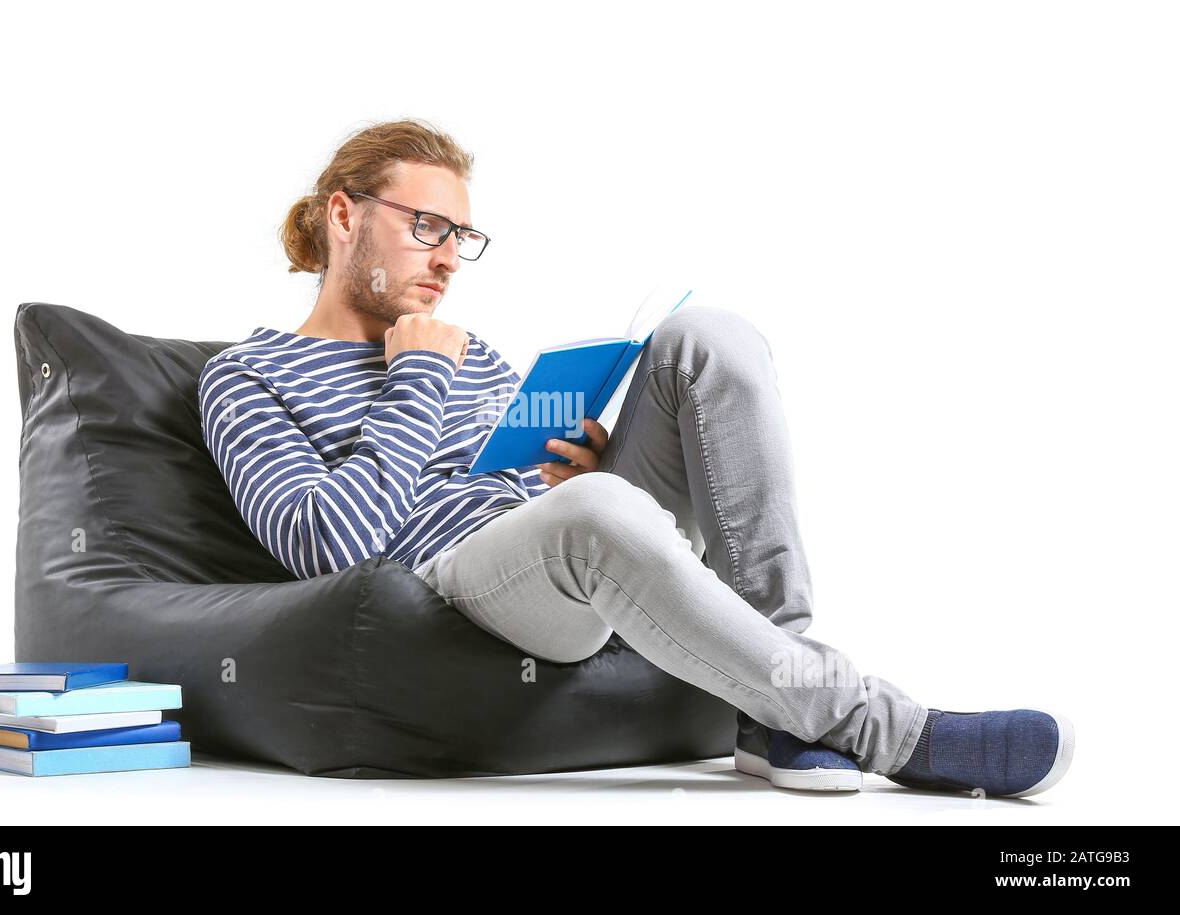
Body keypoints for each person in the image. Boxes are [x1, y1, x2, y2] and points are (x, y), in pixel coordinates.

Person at [198, 118, 1075, 796]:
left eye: (461, 236)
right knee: (595, 516)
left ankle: (776, 707)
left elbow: (523, 483)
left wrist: (584, 469)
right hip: (456, 584)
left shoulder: (476, 352)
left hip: (561, 539)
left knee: (708, 338)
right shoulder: (248, 376)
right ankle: (888, 728)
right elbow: (328, 547)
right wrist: (422, 373)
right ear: (345, 215)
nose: (448, 258)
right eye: (426, 225)